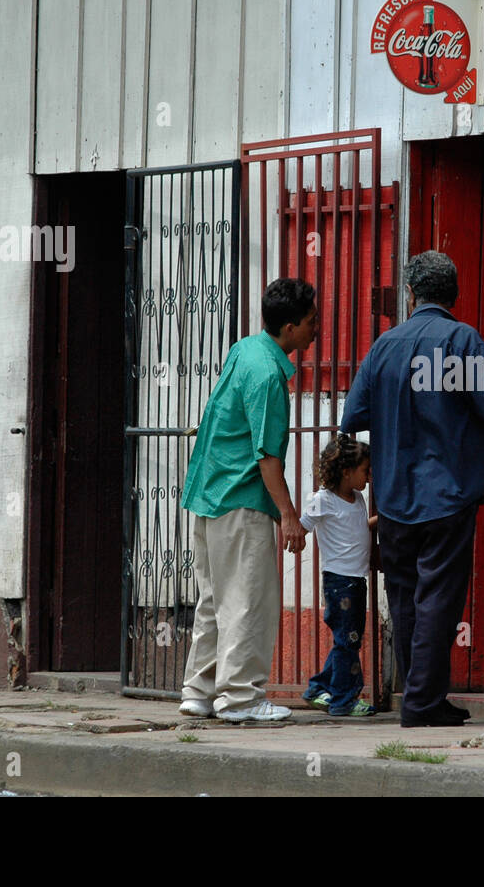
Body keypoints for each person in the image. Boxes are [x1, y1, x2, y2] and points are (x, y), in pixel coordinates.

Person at [341, 250, 484, 727]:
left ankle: (424, 697)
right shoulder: (460, 339)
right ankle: (421, 702)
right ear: (453, 294)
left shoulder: (384, 346)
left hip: (393, 499)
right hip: (447, 497)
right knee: (438, 600)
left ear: (411, 295)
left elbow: (354, 417)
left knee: (407, 597)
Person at [178, 277, 317, 723]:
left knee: (214, 600)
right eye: (311, 323)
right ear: (290, 327)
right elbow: (267, 456)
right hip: (240, 499)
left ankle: (199, 692)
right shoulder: (269, 375)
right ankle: (240, 698)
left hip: (209, 492)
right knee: (246, 600)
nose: (316, 331)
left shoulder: (245, 350)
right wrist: (289, 516)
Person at [299, 434, 379, 717]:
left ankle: (318, 688)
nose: (369, 476)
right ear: (346, 472)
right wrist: (293, 535)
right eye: (365, 470)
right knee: (349, 641)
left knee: (347, 640)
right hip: (340, 583)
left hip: (355, 581)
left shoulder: (357, 498)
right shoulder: (323, 500)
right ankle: (343, 700)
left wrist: (379, 521)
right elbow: (302, 526)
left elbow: (356, 528)